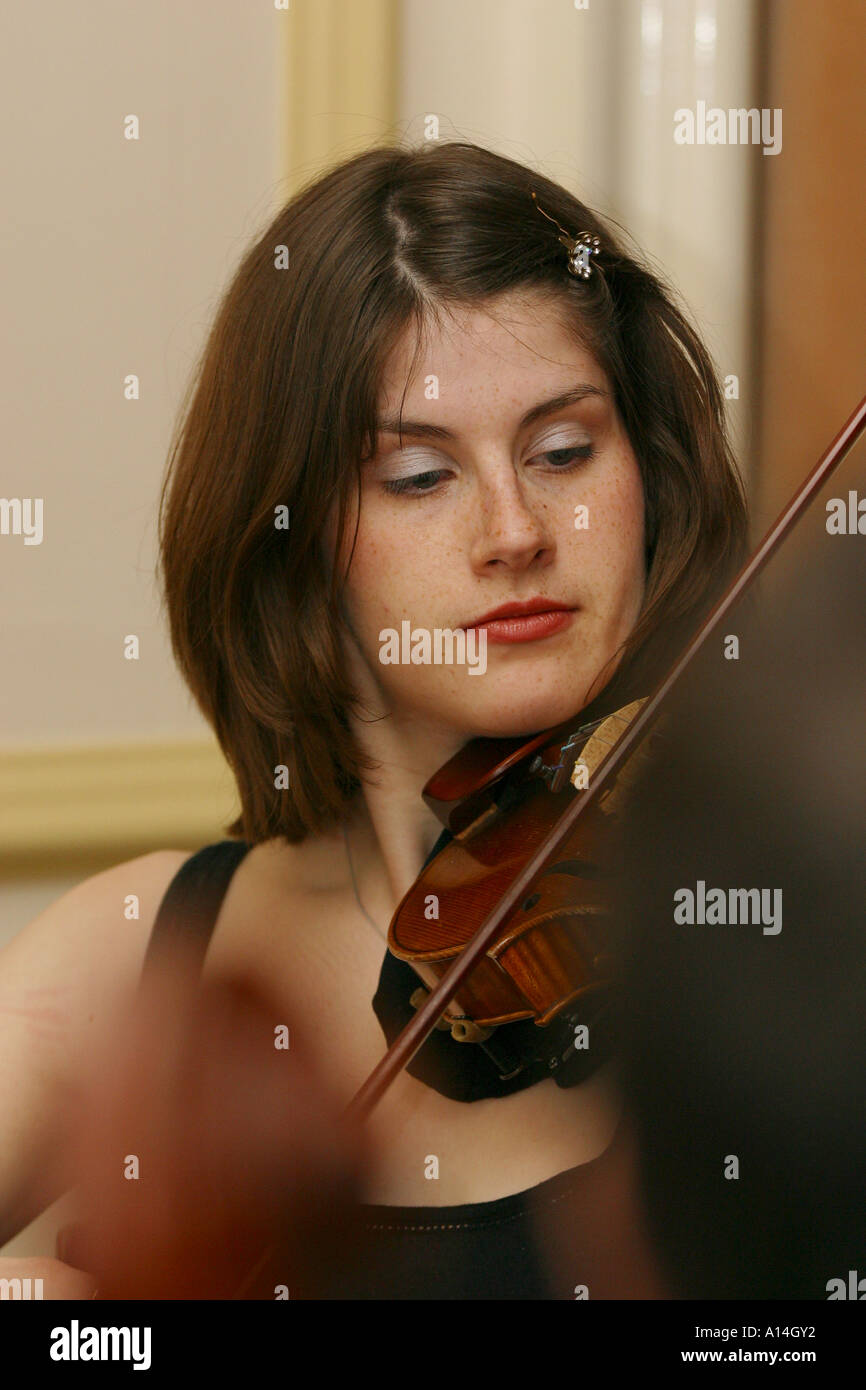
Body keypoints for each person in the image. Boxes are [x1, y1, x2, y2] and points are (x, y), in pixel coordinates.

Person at [0, 139, 747, 1299]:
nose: (514, 529)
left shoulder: (767, 936)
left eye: (562, 450)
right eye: (416, 477)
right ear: (289, 539)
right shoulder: (141, 953)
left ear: (646, 476)